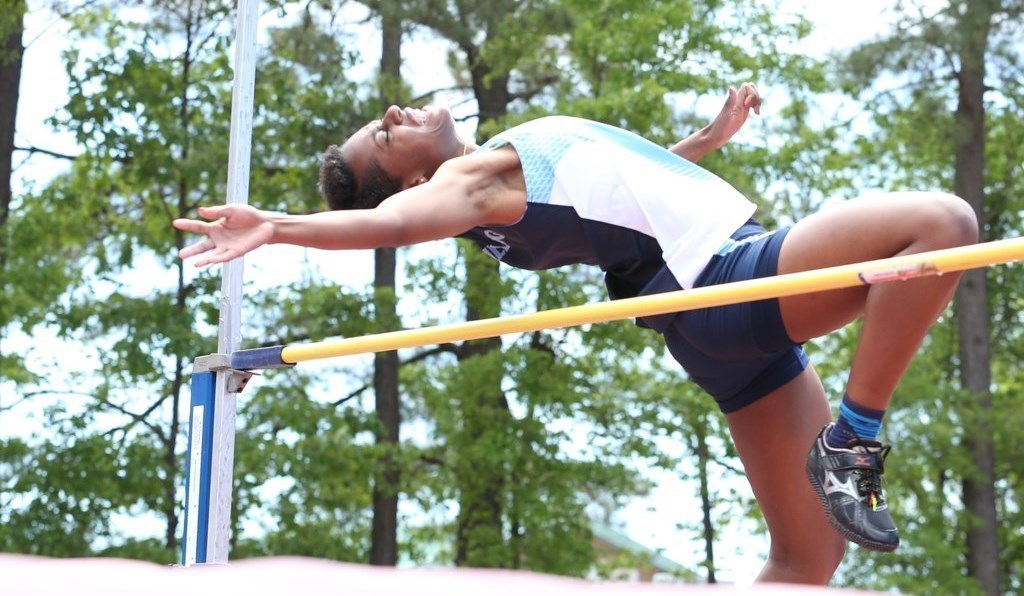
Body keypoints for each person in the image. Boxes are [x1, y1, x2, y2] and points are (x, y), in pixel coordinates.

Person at [173, 83, 979, 584]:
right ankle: (856, 438)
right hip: (724, 283)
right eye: (385, 137)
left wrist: (699, 146)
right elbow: (392, 222)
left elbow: (619, 194)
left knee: (805, 564)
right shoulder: (467, 183)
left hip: (702, 319)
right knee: (941, 224)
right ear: (418, 177)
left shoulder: (502, 179)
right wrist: (276, 226)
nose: (391, 111)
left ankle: (848, 448)